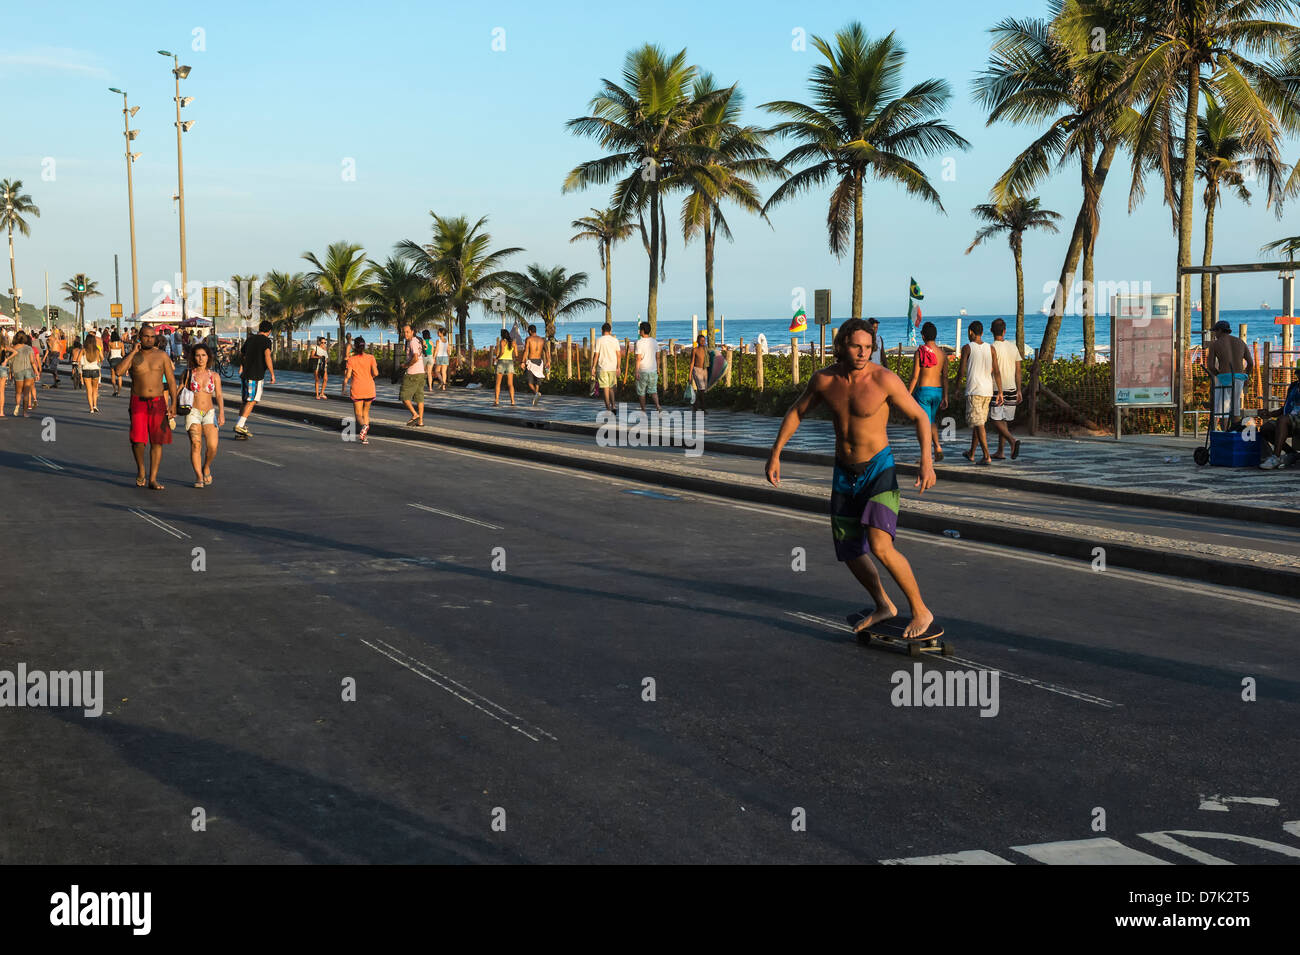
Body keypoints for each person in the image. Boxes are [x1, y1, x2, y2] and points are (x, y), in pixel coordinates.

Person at [767, 317, 938, 639]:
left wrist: (926, 462)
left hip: (879, 470)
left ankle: (921, 609)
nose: (863, 353)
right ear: (843, 346)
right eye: (857, 347)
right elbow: (797, 412)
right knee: (849, 549)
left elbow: (919, 416)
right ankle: (883, 605)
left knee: (879, 545)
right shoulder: (824, 381)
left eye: (868, 348)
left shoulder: (884, 380)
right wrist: (775, 452)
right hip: (844, 473)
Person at [113, 323, 177, 489]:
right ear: (139, 337)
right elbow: (119, 372)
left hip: (158, 402)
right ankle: (141, 469)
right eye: (146, 336)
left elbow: (171, 381)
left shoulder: (162, 356)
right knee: (138, 441)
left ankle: (153, 478)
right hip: (138, 401)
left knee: (157, 442)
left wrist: (174, 404)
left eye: (152, 336)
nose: (149, 339)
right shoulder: (133, 356)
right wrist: (133, 351)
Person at [956, 320, 1002, 465]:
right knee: (979, 421)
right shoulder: (991, 348)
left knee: (979, 423)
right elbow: (996, 371)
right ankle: (972, 452)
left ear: (970, 332)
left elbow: (961, 371)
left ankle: (986, 455)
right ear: (982, 333)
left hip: (974, 390)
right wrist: (999, 391)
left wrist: (957, 387)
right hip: (987, 391)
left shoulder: (967, 348)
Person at [183, 342, 224, 487]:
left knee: (212, 446)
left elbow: (218, 395)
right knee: (196, 445)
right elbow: (179, 390)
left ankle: (206, 466)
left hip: (209, 413)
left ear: (208, 357)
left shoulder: (214, 375)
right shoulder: (188, 373)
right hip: (193, 412)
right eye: (198, 355)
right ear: (194, 357)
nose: (200, 358)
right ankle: (199, 476)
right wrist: (172, 409)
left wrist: (221, 413)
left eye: (203, 355)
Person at [906, 321, 948, 461]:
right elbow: (945, 378)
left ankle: (927, 456)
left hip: (923, 392)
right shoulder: (942, 354)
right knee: (930, 421)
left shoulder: (920, 352)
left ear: (923, 336)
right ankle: (937, 447)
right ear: (935, 336)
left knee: (922, 424)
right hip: (938, 392)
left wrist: (907, 394)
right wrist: (946, 396)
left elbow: (915, 376)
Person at [1206, 320, 1253, 429]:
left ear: (1220, 330)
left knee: (1223, 410)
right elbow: (1250, 363)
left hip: (1224, 378)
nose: (1215, 334)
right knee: (1235, 408)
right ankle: (1234, 432)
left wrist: (1218, 375)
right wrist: (1246, 376)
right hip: (1239, 378)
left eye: (1215, 331)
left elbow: (1211, 366)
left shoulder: (1215, 344)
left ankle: (1225, 434)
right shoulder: (1241, 342)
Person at [987, 318, 1022, 460]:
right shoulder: (1013, 347)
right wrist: (1019, 390)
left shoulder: (991, 348)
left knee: (994, 418)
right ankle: (1000, 451)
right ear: (1005, 331)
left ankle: (1012, 440)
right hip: (1012, 387)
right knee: (1004, 420)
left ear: (991, 331)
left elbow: (989, 370)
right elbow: (1018, 371)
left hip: (997, 389)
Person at [235, 320, 275, 439]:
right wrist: (272, 373)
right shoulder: (266, 341)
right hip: (256, 375)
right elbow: (267, 356)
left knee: (245, 401)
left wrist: (242, 366)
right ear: (269, 331)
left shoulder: (250, 339)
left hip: (245, 374)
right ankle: (240, 424)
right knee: (252, 400)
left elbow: (242, 354)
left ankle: (240, 427)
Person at [1259, 361, 1300, 470]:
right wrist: (1270, 414)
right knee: (1266, 428)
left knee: (1282, 420)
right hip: (1289, 418)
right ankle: (1292, 453)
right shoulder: (1294, 386)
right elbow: (1286, 407)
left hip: (1295, 419)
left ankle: (1275, 457)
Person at [344, 336, 379, 444]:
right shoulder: (371, 358)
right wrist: (370, 377)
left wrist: (343, 387)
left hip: (357, 388)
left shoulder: (351, 359)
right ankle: (365, 435)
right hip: (369, 387)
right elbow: (376, 373)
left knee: (358, 414)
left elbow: (348, 375)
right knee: (366, 412)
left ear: (355, 346)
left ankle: (364, 427)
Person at [626, 321, 661, 413]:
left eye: (640, 330)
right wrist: (658, 368)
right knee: (653, 390)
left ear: (642, 330)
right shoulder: (654, 341)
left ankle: (643, 410)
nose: (639, 332)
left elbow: (638, 358)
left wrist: (636, 371)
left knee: (641, 392)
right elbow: (658, 357)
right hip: (653, 370)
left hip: (643, 370)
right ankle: (658, 406)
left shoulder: (639, 342)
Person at [3, 331, 37, 415]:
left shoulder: (13, 348)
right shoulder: (29, 348)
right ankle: (25, 412)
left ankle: (17, 405)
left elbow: (10, 362)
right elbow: (32, 362)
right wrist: (36, 372)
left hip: (17, 371)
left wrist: (10, 372)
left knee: (18, 392)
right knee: (26, 393)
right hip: (28, 371)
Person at [591, 323, 620, 413]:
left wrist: (593, 367)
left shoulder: (599, 340)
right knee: (612, 387)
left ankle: (608, 408)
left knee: (605, 388)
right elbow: (618, 355)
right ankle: (614, 406)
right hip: (612, 367)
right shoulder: (615, 340)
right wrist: (618, 367)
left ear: (602, 330)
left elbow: (596, 355)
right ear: (610, 331)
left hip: (602, 367)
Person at [400, 323, 426, 423]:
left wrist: (406, 365)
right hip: (421, 372)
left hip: (412, 373)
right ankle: (421, 421)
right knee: (419, 397)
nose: (405, 334)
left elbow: (415, 358)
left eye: (407, 332)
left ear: (412, 332)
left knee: (404, 396)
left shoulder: (412, 342)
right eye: (404, 332)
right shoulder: (418, 341)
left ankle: (415, 414)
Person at [521, 324, 548, 406]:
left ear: (529, 331)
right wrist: (548, 361)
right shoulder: (542, 340)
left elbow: (526, 351)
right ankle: (536, 396)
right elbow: (547, 351)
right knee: (537, 382)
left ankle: (536, 393)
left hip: (531, 361)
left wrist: (522, 362)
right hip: (539, 362)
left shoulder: (528, 339)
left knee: (529, 382)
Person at [78, 332, 104, 413]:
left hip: (86, 371)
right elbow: (102, 358)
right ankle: (95, 405)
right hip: (95, 370)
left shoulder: (83, 350)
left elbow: (78, 361)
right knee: (95, 390)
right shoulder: (97, 349)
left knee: (89, 390)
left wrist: (80, 373)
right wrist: (98, 362)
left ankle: (91, 409)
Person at [492, 328, 517, 407]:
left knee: (498, 383)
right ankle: (512, 401)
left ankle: (496, 401)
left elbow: (502, 352)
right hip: (510, 362)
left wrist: (497, 357)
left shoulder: (502, 341)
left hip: (502, 362)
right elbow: (516, 354)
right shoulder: (513, 343)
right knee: (510, 384)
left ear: (502, 335)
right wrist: (512, 357)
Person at [688, 333, 709, 414]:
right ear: (698, 341)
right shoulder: (695, 350)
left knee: (702, 390)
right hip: (697, 370)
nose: (703, 342)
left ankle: (695, 406)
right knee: (702, 389)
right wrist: (690, 375)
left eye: (704, 340)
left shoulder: (706, 349)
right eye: (701, 340)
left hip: (705, 370)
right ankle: (703, 408)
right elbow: (692, 362)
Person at [432, 326, 450, 390]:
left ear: (441, 333)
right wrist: (448, 357)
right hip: (445, 357)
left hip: (439, 357)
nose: (437, 333)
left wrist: (434, 357)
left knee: (436, 371)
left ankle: (442, 381)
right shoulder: (446, 340)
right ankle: (444, 387)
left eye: (438, 332)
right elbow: (448, 349)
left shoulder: (438, 340)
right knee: (444, 372)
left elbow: (436, 349)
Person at [108, 330, 125, 396]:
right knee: (119, 376)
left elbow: (109, 353)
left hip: (112, 360)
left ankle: (114, 390)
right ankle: (119, 392)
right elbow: (123, 353)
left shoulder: (110, 344)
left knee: (113, 376)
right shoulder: (121, 344)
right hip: (119, 360)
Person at [0, 329, 10, 417]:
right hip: (2, 368)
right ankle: (1, 412)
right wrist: (6, 360)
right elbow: (15, 352)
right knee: (1, 391)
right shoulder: (3, 344)